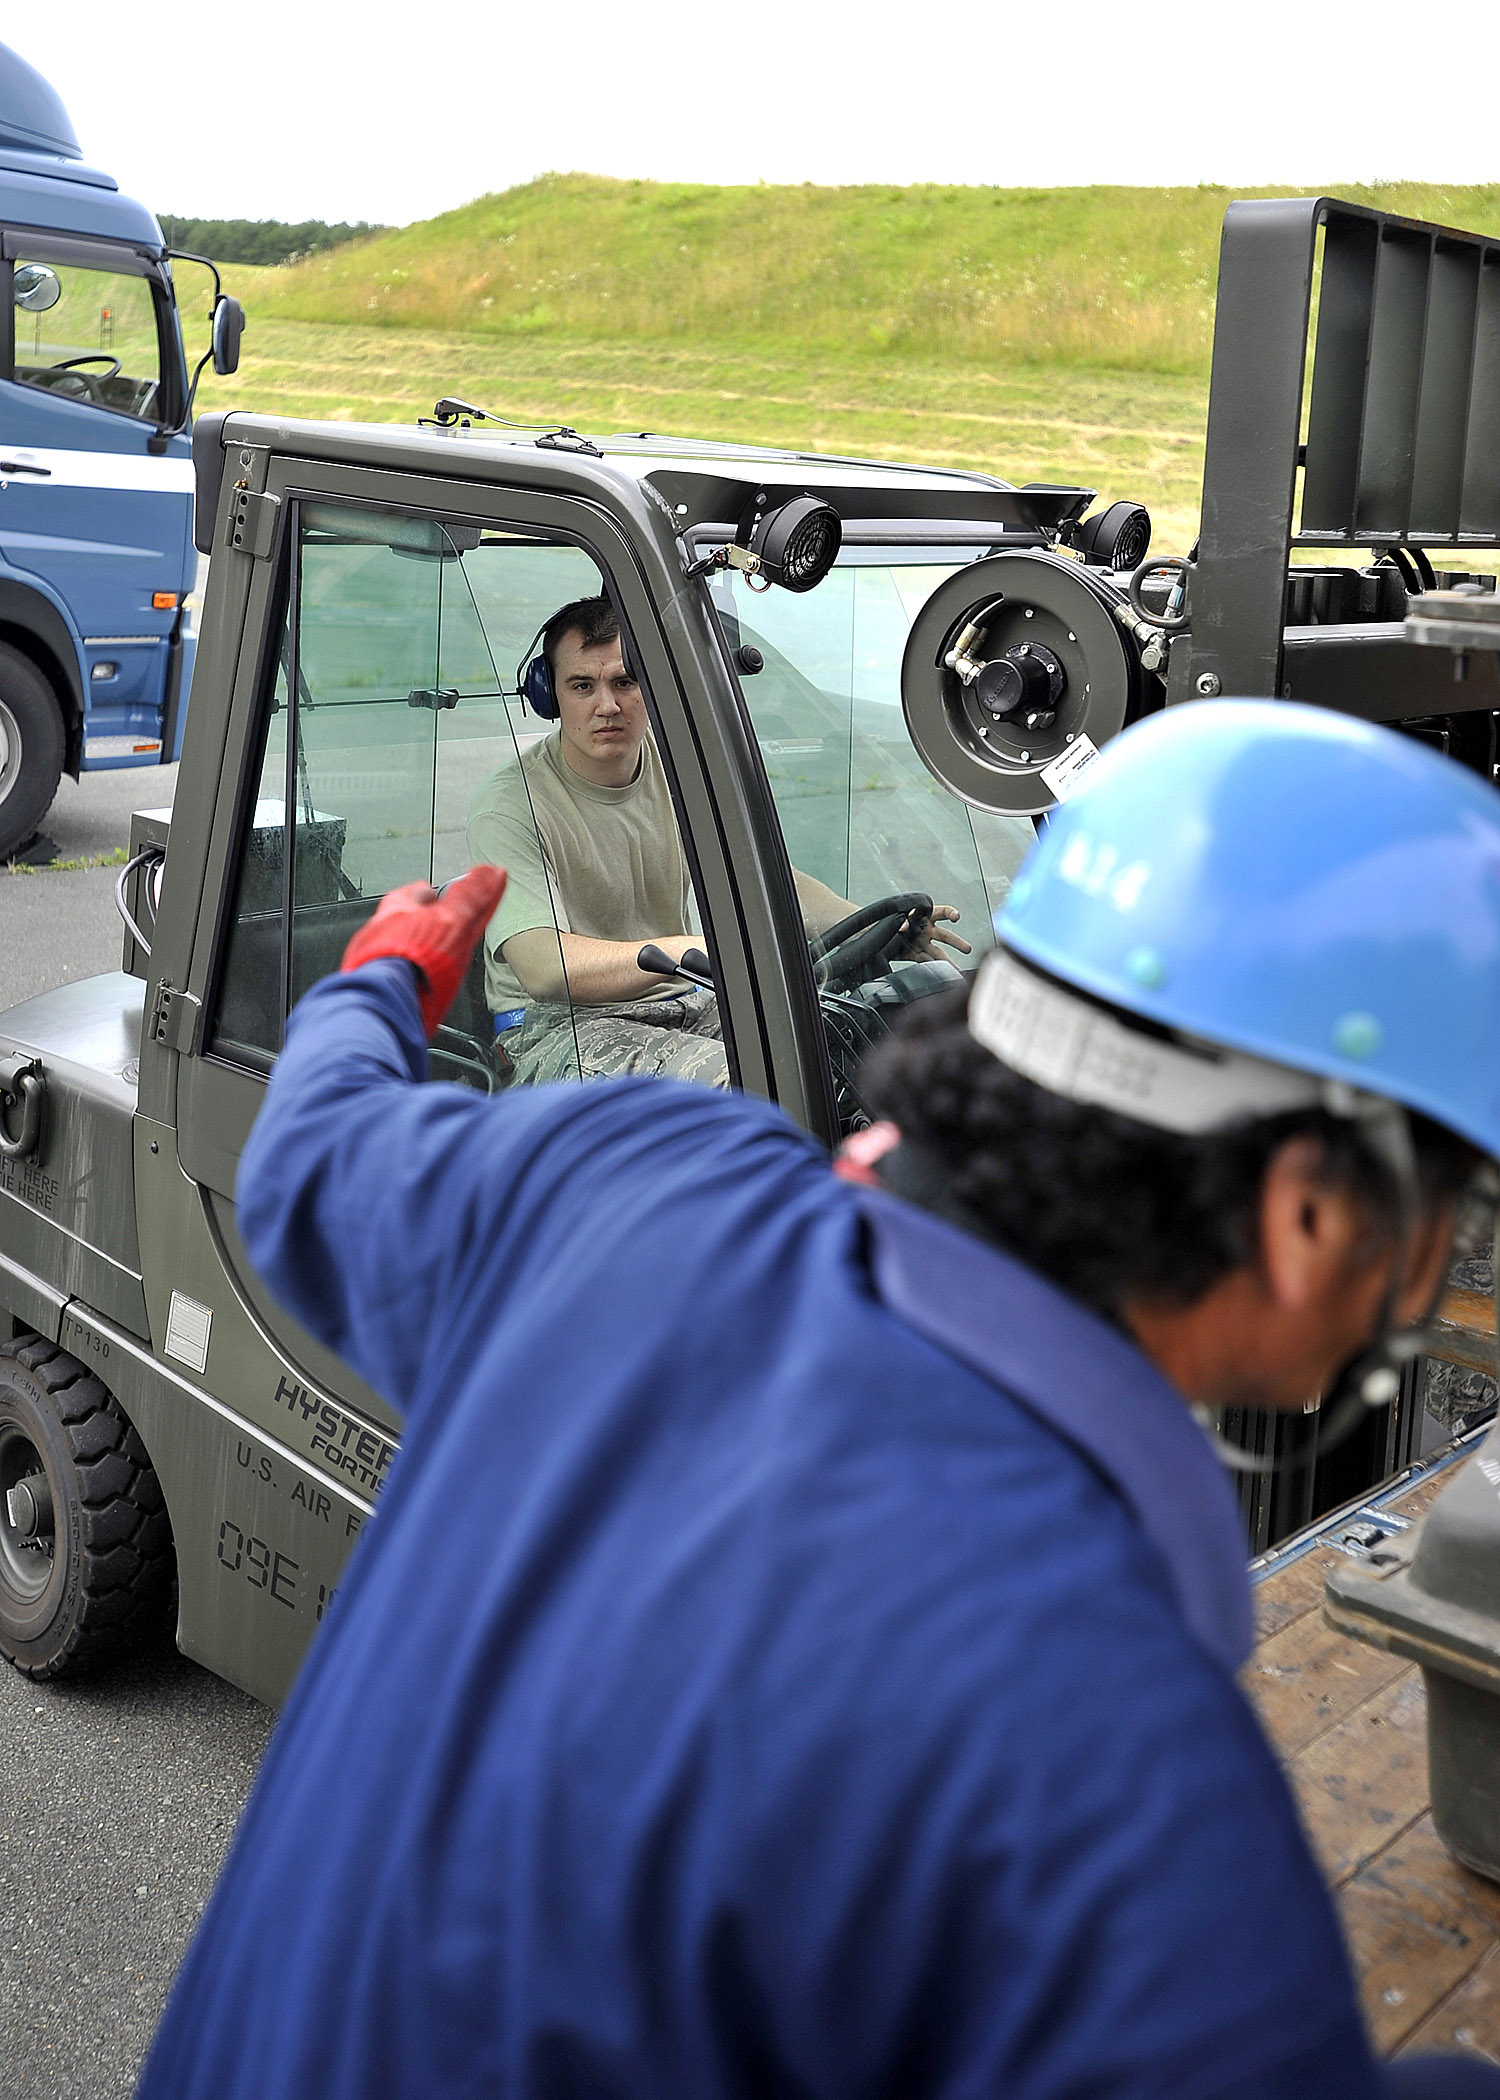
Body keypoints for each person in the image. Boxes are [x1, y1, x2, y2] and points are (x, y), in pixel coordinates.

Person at [138, 699, 1500, 2100]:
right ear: (1309, 1219)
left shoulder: (614, 1177)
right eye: (1452, 1207)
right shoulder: (1125, 1788)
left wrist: (378, 983)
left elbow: (311, 1158)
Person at [465, 595, 968, 1085]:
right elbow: (544, 968)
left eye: (625, 681)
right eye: (581, 686)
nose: (607, 705)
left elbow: (760, 879)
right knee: (752, 1085)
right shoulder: (512, 805)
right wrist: (684, 951)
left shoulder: (682, 768)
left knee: (852, 1048)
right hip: (554, 1032)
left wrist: (877, 924)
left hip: (686, 999)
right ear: (548, 695)